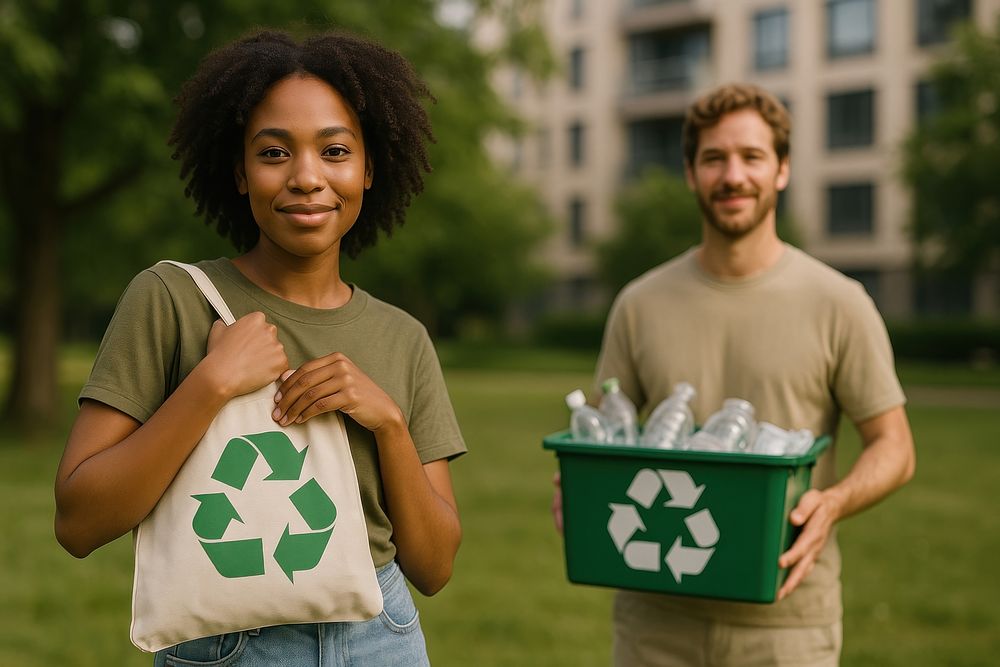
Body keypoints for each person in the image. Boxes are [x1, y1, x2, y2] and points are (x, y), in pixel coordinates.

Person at [54, 30, 465, 665]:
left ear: (368, 169)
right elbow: (79, 522)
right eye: (274, 153)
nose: (307, 177)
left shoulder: (402, 337)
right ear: (240, 173)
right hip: (229, 644)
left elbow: (434, 568)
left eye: (335, 150)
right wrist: (211, 383)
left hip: (382, 636)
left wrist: (389, 424)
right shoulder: (171, 300)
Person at [552, 83, 915, 666]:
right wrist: (578, 488)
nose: (733, 176)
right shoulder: (640, 303)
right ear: (691, 173)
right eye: (714, 158)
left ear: (782, 169)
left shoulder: (839, 302)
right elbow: (605, 435)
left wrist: (834, 502)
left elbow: (894, 446)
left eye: (752, 157)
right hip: (655, 616)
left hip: (786, 619)